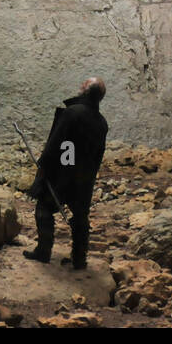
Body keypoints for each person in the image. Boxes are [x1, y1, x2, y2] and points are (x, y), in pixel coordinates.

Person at [22, 77, 108, 269]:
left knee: (43, 209)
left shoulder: (72, 113)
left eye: (84, 84)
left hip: (64, 173)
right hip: (84, 178)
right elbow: (97, 155)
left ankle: (43, 252)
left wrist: (45, 165)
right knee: (80, 217)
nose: (80, 85)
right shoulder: (102, 122)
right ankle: (79, 259)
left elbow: (59, 143)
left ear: (86, 90)